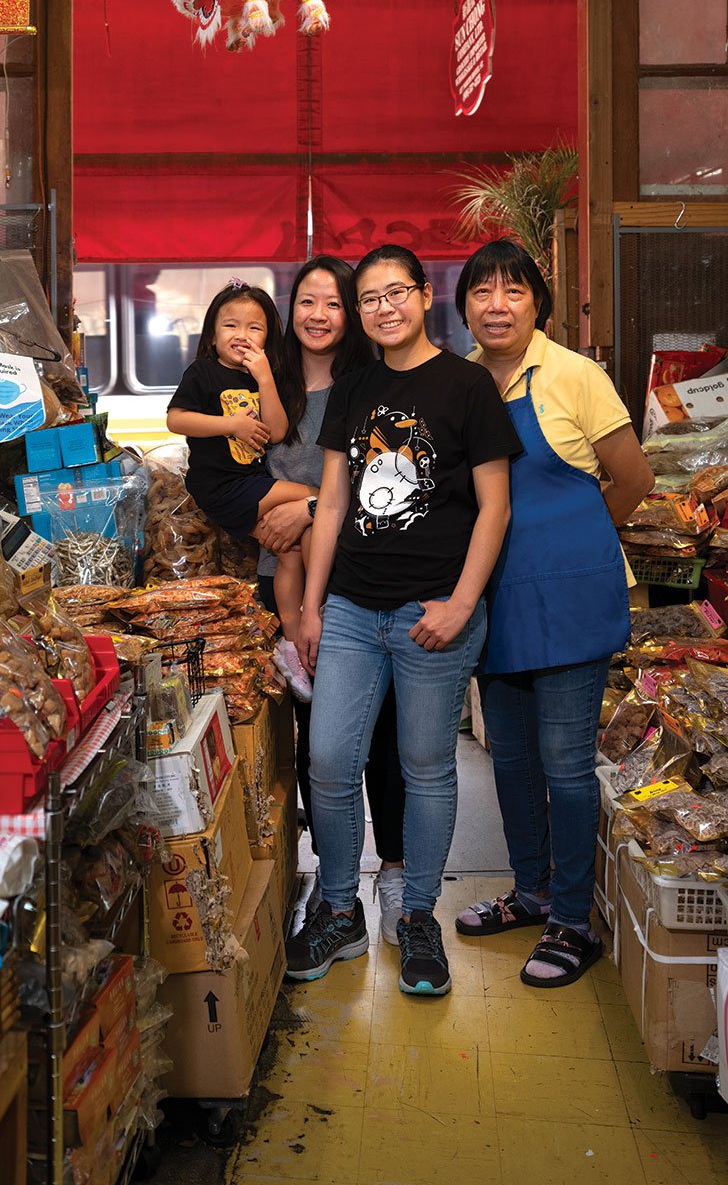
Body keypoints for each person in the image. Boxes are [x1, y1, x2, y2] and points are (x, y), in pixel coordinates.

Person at [285, 244, 521, 996]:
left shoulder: (468, 385)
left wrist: (462, 604)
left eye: (396, 292)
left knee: (425, 766)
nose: (383, 308)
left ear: (424, 296)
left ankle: (418, 915)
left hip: (433, 615)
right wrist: (313, 607)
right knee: (329, 760)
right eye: (369, 298)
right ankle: (338, 910)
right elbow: (331, 505)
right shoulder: (353, 388)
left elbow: (495, 507)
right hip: (353, 609)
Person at [454, 238, 654, 987]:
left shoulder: (575, 375)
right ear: (464, 306)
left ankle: (573, 919)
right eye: (482, 291)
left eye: (513, 290)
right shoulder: (459, 382)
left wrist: (576, 542)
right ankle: (531, 891)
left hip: (569, 595)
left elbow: (633, 478)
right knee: (509, 760)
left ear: (538, 303)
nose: (497, 304)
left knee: (567, 766)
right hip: (495, 597)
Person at [255, 255, 407, 943]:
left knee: (382, 738)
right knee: (314, 745)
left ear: (353, 313)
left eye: (334, 303)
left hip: (359, 580)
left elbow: (388, 483)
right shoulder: (266, 387)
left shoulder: (372, 387)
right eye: (307, 302)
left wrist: (311, 507)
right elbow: (230, 480)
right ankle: (333, 881)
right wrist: (286, 510)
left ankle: (396, 874)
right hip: (278, 583)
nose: (318, 315)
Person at [166, 281, 313, 641]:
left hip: (250, 482)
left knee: (290, 550)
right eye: (230, 325)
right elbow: (176, 420)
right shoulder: (202, 372)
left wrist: (264, 377)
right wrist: (231, 425)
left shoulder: (264, 378)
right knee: (318, 496)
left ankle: (293, 638)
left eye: (254, 328)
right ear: (213, 334)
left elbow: (277, 432)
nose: (241, 335)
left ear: (268, 339)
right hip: (222, 485)